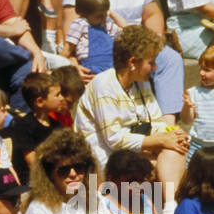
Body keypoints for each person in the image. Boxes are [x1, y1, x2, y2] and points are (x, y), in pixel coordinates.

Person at [75, 25, 189, 198]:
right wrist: (159, 139)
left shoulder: (140, 83)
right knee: (162, 161)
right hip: (103, 158)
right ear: (132, 62)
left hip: (132, 150)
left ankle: (170, 209)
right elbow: (114, 139)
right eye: (150, 62)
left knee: (175, 148)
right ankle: (165, 208)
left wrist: (173, 133)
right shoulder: (104, 85)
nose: (155, 67)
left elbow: (156, 121)